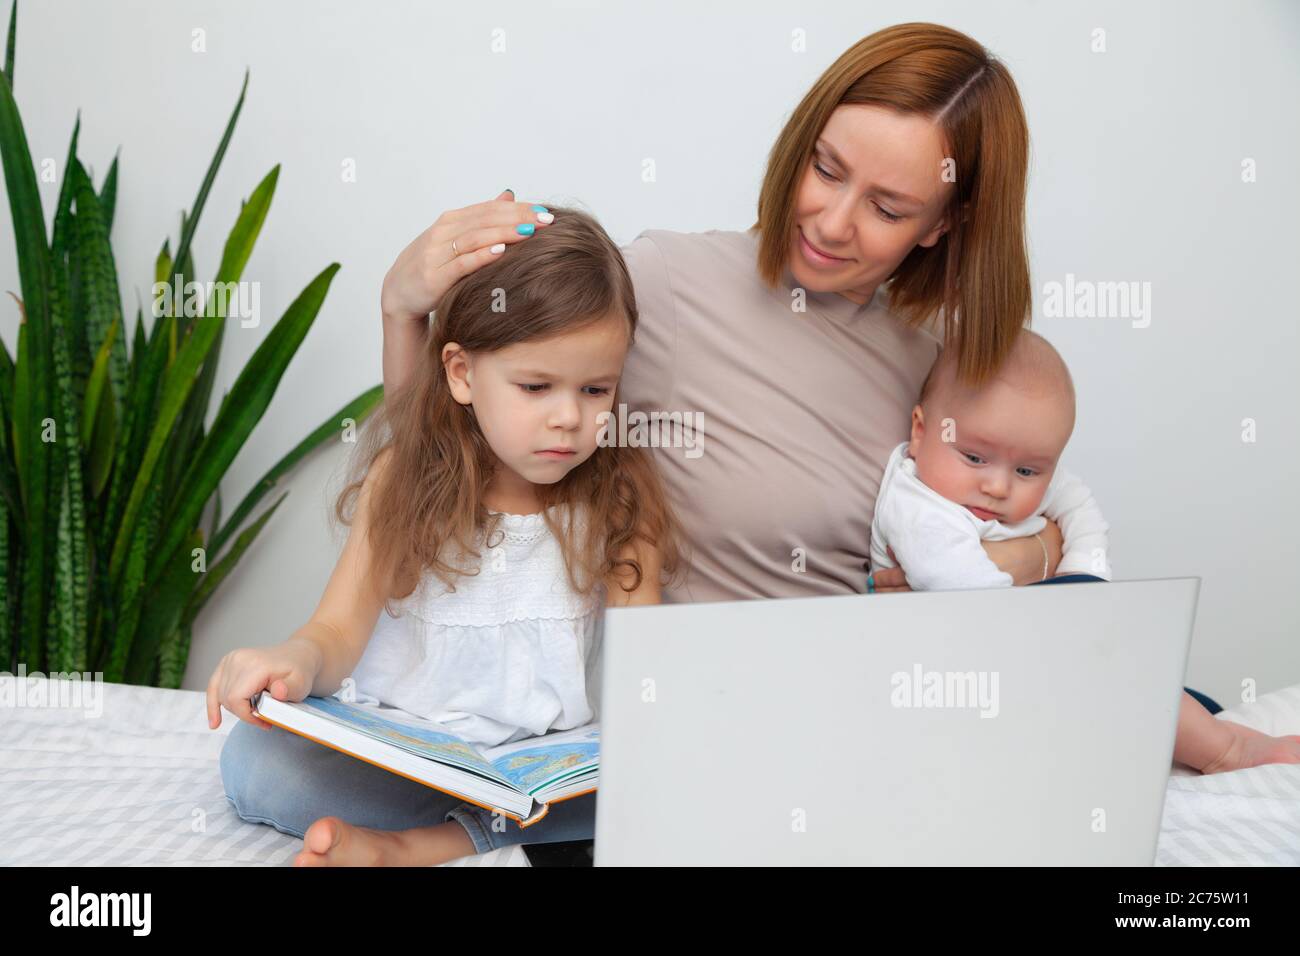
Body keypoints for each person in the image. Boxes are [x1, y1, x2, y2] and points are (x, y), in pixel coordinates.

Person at [211, 208, 684, 866]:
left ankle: (411, 848)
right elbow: (335, 634)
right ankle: (457, 832)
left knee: (666, 778)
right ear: (461, 373)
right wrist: (293, 661)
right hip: (408, 756)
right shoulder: (404, 480)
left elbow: (646, 673)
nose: (570, 417)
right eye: (536, 386)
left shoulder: (620, 501)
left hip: (539, 769)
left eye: (596, 388)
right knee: (260, 769)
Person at [872, 331, 1300, 773]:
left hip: (1016, 653)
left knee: (1148, 679)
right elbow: (979, 608)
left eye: (1026, 470)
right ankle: (1225, 752)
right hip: (955, 668)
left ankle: (1204, 725)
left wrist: (1084, 577)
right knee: (1116, 664)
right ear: (921, 432)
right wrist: (1077, 613)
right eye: (974, 458)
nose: (998, 486)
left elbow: (1078, 504)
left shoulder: (1007, 469)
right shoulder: (919, 508)